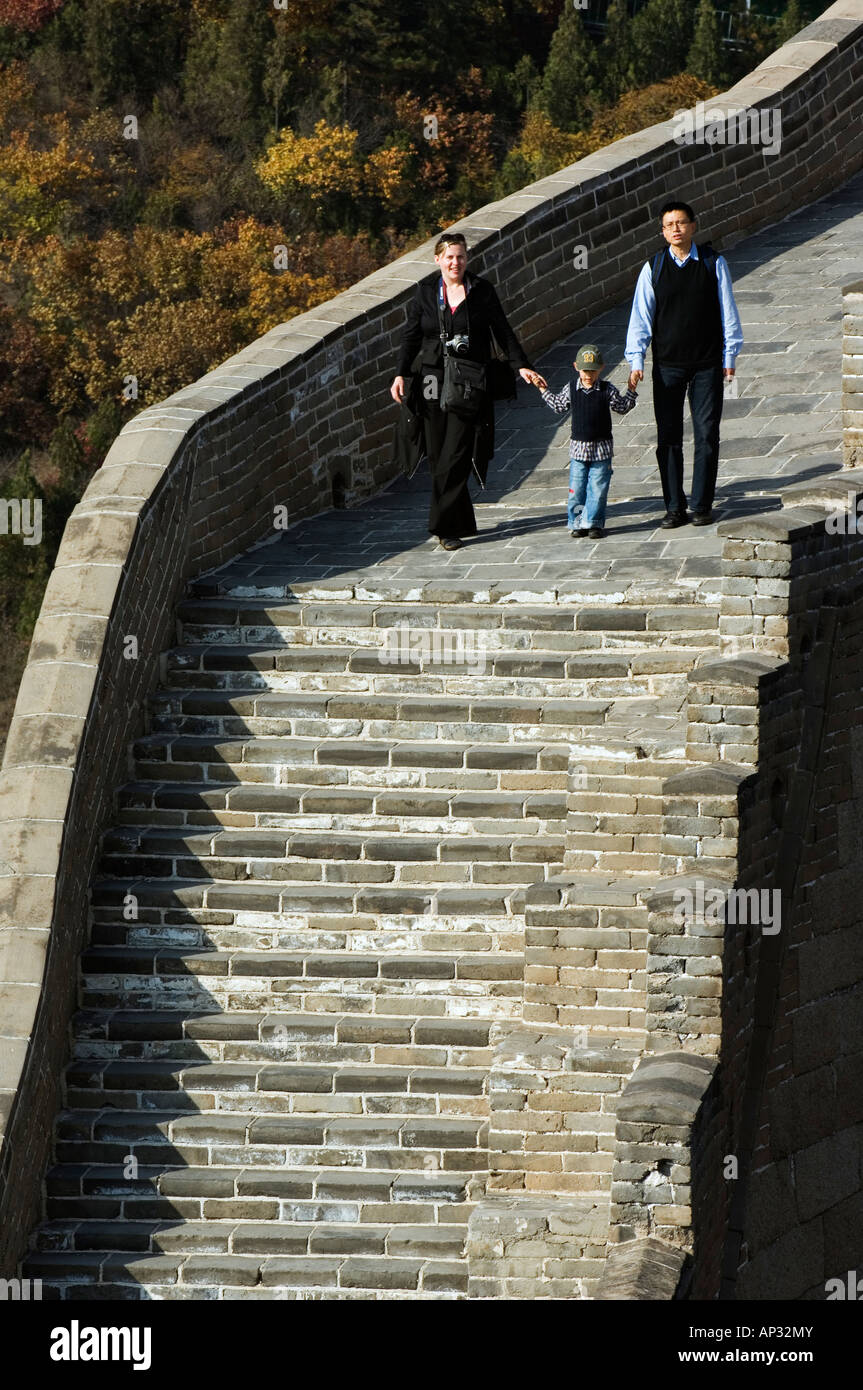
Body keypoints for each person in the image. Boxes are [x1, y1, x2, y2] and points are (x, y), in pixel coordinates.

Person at [390, 232, 546, 550]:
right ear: (437, 260)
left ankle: (441, 526)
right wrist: (400, 374)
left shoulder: (481, 291)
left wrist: (521, 365)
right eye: (449, 257)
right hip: (431, 382)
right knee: (437, 456)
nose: (455, 262)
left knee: (457, 453)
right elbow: (411, 337)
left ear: (466, 259)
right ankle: (461, 522)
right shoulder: (424, 292)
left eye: (460, 256)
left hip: (470, 382)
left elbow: (503, 331)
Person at [625, 200, 743, 528]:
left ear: (693, 226)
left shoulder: (713, 263)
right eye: (669, 225)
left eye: (681, 223)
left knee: (706, 433)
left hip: (707, 364)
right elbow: (640, 319)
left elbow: (728, 312)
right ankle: (674, 507)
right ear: (663, 233)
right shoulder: (653, 268)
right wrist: (636, 360)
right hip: (667, 366)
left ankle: (702, 504)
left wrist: (729, 358)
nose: (676, 229)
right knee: (669, 437)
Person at [532, 344, 638, 538]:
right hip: (578, 452)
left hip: (602, 450)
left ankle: (594, 523)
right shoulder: (571, 388)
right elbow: (558, 406)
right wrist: (542, 388)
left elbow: (622, 407)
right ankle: (577, 522)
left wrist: (631, 388)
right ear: (576, 367)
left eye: (592, 370)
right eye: (584, 370)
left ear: (601, 368)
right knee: (577, 489)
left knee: (598, 488)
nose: (588, 374)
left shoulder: (607, 389)